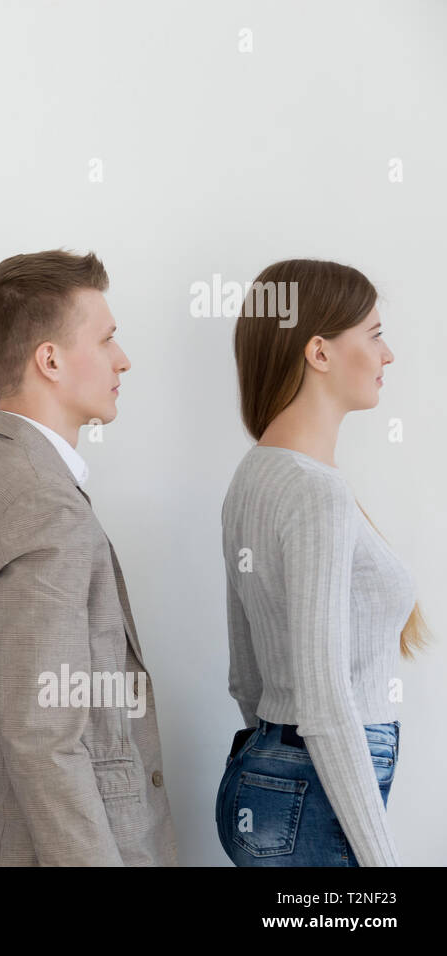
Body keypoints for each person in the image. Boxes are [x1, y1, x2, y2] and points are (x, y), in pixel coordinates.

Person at [0, 250, 178, 865]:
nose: (124, 359)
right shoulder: (44, 502)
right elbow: (43, 739)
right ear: (51, 359)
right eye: (108, 338)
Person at [216, 259, 428, 867]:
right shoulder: (316, 491)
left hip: (266, 777)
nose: (387, 356)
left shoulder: (252, 477)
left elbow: (246, 678)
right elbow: (327, 701)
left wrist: (277, 767)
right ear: (319, 352)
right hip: (316, 788)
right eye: (375, 335)